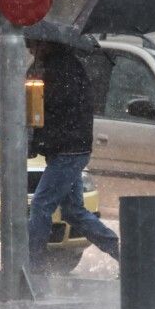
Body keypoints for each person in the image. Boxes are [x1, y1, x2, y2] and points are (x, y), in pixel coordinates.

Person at [26, 40, 120, 280]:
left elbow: (49, 109)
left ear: (46, 44)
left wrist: (37, 85)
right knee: (72, 210)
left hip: (68, 150)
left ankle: (32, 264)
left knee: (41, 205)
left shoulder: (62, 70)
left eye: (33, 45)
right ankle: (121, 252)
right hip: (67, 149)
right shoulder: (55, 67)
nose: (30, 49)